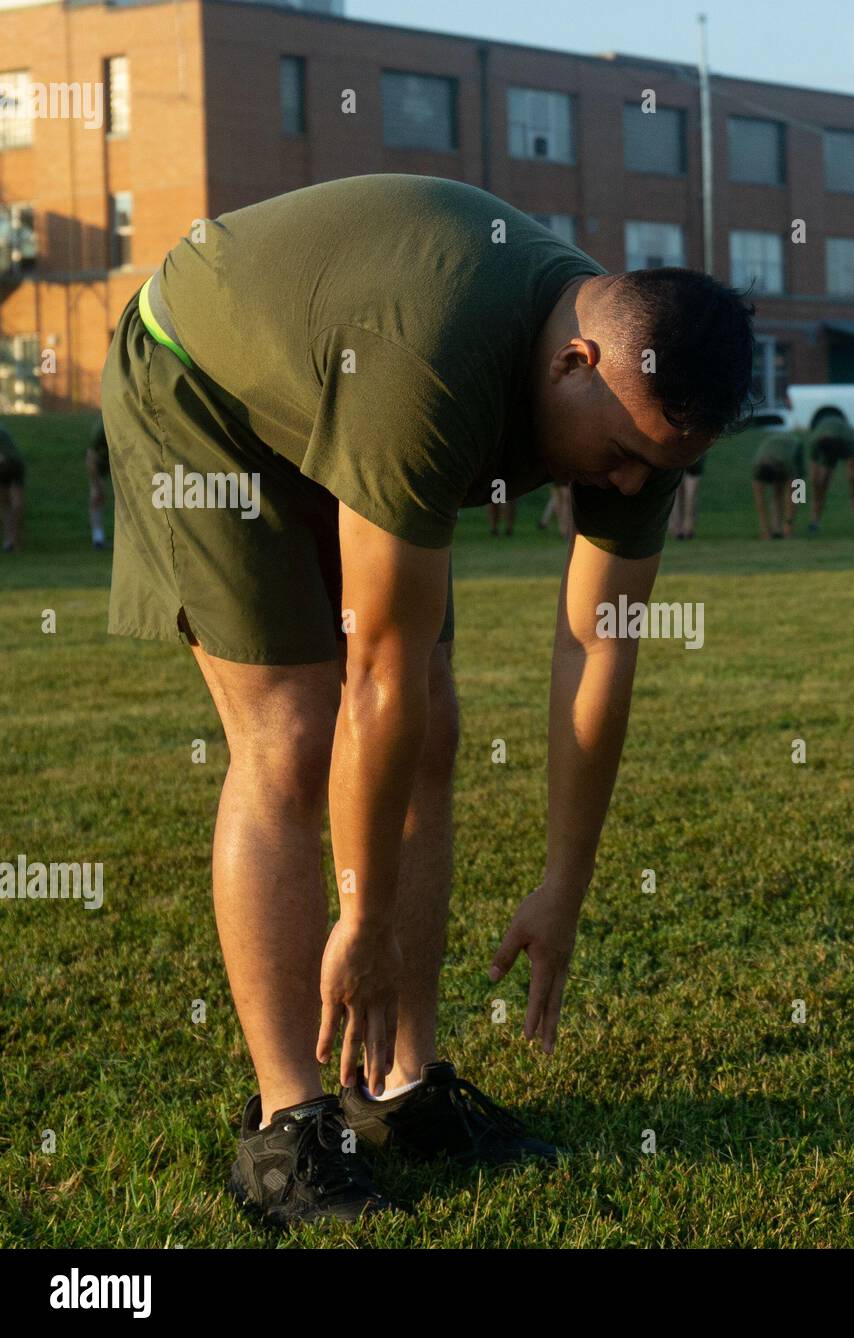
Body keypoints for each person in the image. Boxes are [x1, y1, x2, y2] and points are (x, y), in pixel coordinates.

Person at [100, 174, 755, 1226]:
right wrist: (356, 914)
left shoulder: (640, 416)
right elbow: (378, 674)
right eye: (625, 456)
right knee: (299, 734)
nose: (630, 488)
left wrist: (562, 885)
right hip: (204, 391)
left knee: (436, 731)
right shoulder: (432, 361)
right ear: (571, 363)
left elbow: (600, 649)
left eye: (661, 472)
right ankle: (288, 1128)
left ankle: (398, 1092)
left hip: (344, 388)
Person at [807, 411, 854, 534]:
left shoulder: (850, 440)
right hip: (827, 442)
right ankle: (815, 523)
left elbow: (852, 475)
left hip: (845, 441)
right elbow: (814, 476)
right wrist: (816, 494)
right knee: (821, 482)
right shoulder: (815, 442)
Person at [751, 429, 803, 539]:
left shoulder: (788, 463)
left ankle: (788, 527)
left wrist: (789, 523)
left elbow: (796, 492)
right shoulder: (757, 468)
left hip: (794, 444)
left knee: (797, 491)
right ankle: (776, 529)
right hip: (771, 447)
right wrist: (764, 528)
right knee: (777, 491)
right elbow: (759, 500)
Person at [0, 423, 25, 553]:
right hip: (17, 464)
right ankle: (15, 541)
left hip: (5, 465)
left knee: (6, 505)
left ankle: (9, 540)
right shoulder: (3, 431)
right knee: (15, 505)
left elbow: (2, 458)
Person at [87, 414, 111, 549]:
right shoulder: (101, 428)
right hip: (102, 462)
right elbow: (91, 457)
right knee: (96, 496)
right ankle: (98, 538)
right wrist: (97, 485)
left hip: (123, 458)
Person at [669, 455, 703, 539]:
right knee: (691, 491)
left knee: (677, 486)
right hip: (696, 451)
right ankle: (688, 525)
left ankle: (676, 526)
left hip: (677, 450)